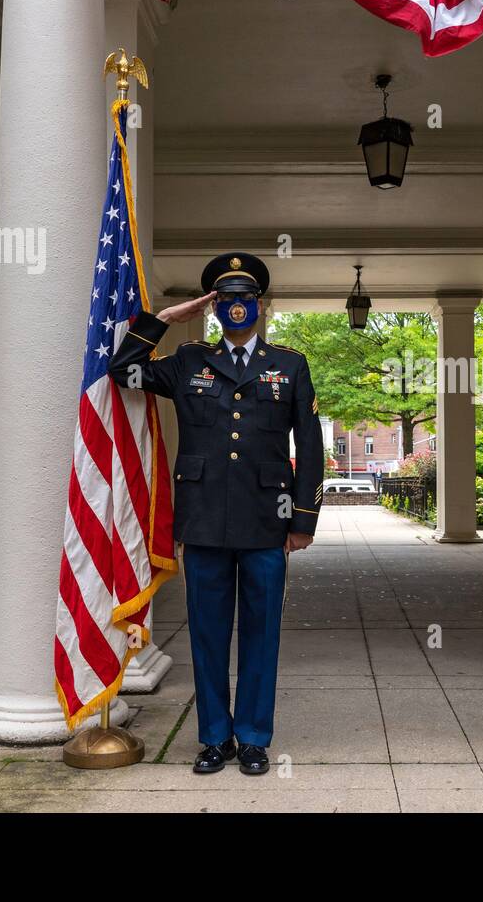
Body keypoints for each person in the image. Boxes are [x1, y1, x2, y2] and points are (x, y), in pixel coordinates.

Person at [109, 252, 324, 775]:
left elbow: (310, 443)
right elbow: (123, 372)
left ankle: (252, 738)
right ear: (214, 306)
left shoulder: (289, 364)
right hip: (203, 519)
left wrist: (302, 519)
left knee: (261, 633)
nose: (236, 306)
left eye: (245, 298)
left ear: (260, 305)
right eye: (226, 299)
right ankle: (213, 738)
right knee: (207, 634)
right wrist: (163, 319)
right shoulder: (188, 360)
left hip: (267, 519)